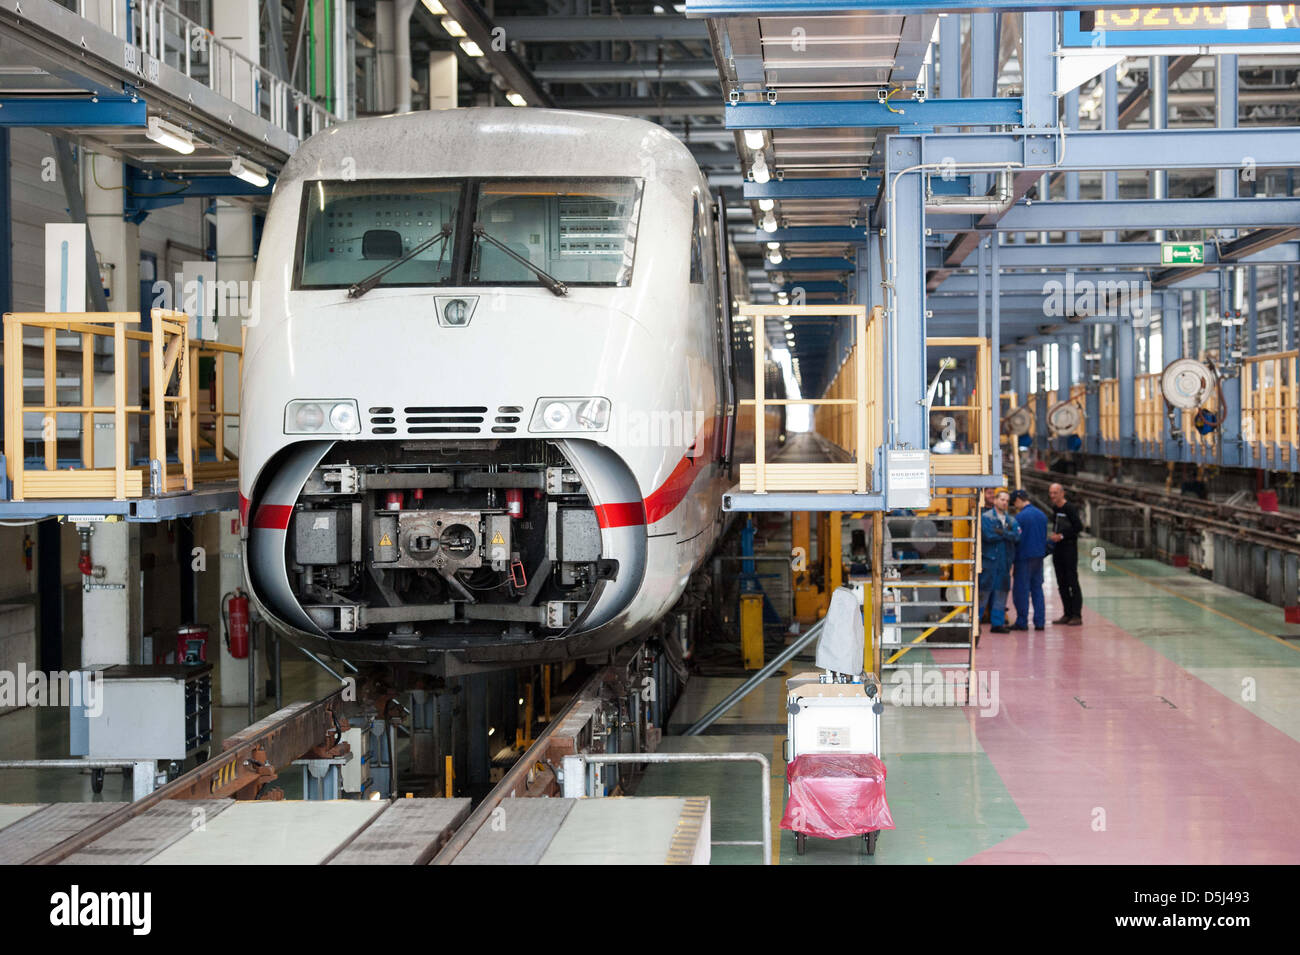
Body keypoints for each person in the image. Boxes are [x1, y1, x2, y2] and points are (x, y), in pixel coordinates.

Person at [979, 489, 1021, 634]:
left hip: (1004, 562)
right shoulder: (986, 517)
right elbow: (988, 536)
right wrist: (1006, 534)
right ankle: (975, 621)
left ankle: (997, 624)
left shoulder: (1011, 519)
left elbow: (1016, 537)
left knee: (1001, 592)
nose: (1004, 503)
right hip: (989, 561)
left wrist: (1002, 533)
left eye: (1007, 500)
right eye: (1002, 499)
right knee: (983, 592)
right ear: (996, 500)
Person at [1009, 489, 1047, 631]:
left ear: (1019, 499)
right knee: (1037, 589)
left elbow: (1016, 538)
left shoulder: (1020, 518)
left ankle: (1022, 622)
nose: (1015, 506)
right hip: (1039, 557)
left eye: (1015, 503)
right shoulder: (1042, 515)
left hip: (1023, 558)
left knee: (1021, 591)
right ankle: (1040, 622)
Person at [1048, 482, 1084, 625]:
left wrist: (1062, 536)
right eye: (1050, 493)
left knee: (1072, 581)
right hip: (1058, 549)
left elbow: (1078, 527)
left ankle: (1076, 615)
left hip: (1069, 548)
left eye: (1055, 493)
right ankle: (1067, 613)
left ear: (1062, 493)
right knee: (1061, 582)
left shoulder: (1070, 508)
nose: (1052, 496)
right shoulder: (1055, 508)